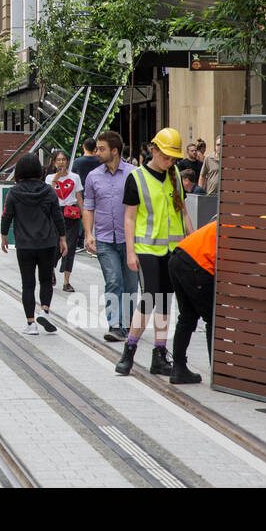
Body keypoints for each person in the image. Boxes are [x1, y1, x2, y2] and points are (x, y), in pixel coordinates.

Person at [116, 127, 194, 377]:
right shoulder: (136, 178)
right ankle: (129, 350)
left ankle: (160, 354)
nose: (170, 162)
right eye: (166, 156)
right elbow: (129, 219)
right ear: (154, 150)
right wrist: (130, 251)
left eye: (173, 158)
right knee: (149, 299)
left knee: (165, 301)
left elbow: (182, 214)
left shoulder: (175, 179)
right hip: (146, 249)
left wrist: (191, 244)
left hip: (172, 250)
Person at [0, 153, 66, 335]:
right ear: (39, 170)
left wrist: (4, 235)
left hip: (24, 244)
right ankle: (45, 311)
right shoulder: (49, 191)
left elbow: (7, 215)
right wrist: (62, 238)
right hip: (47, 242)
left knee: (27, 284)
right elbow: (57, 217)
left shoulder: (14, 192)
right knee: (46, 280)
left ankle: (31, 324)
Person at [83, 130, 137, 342]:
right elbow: (88, 208)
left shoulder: (134, 174)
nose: (97, 152)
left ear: (115, 151)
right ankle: (115, 325)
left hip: (130, 240)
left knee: (131, 286)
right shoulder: (93, 176)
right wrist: (88, 234)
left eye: (102, 149)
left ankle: (128, 326)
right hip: (105, 240)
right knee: (114, 281)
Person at [167, 220, 217, 384]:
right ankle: (217, 373)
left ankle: (179, 369)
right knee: (213, 318)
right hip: (197, 263)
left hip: (179, 255)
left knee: (187, 316)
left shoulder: (234, 221)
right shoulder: (248, 230)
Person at [45, 150, 83, 294]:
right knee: (55, 244)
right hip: (55, 213)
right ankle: (51, 268)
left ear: (67, 161)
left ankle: (66, 281)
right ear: (54, 162)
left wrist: (84, 214)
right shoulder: (49, 178)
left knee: (71, 246)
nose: (61, 162)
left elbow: (79, 198)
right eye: (58, 160)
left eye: (63, 159)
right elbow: (48, 195)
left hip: (71, 213)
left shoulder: (75, 177)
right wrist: (56, 177)